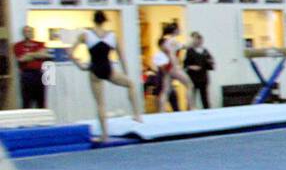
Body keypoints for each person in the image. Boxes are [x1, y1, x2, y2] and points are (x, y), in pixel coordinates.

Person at [69, 11, 143, 143]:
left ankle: (104, 135)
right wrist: (126, 73)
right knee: (131, 84)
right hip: (108, 69)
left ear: (93, 20)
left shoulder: (86, 35)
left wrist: (79, 65)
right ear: (105, 21)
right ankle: (137, 115)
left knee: (100, 104)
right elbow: (122, 57)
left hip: (94, 70)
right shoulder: (112, 36)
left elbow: (69, 51)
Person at [156, 22, 194, 111]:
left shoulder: (165, 41)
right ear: (175, 30)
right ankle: (191, 107)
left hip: (168, 67)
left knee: (166, 90)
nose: (180, 30)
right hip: (173, 66)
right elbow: (185, 46)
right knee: (189, 85)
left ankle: (161, 111)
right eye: (178, 29)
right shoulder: (173, 40)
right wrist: (192, 40)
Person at [14, 25, 52, 110]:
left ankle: (42, 121)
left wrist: (29, 54)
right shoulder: (18, 45)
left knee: (41, 101)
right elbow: (21, 59)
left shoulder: (40, 44)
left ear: (33, 33)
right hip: (26, 74)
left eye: (30, 31)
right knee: (27, 102)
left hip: (38, 73)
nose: (28, 33)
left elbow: (44, 54)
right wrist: (36, 54)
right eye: (26, 31)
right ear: (23, 33)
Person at [183, 31, 215, 109]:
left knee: (204, 97)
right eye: (196, 39)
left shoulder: (205, 51)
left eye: (200, 39)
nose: (198, 41)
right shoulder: (190, 51)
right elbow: (185, 65)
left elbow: (210, 64)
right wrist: (191, 67)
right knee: (191, 97)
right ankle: (189, 112)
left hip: (203, 78)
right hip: (193, 78)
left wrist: (210, 62)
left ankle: (207, 112)